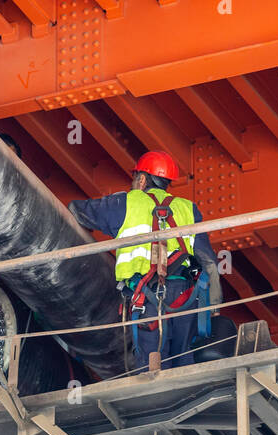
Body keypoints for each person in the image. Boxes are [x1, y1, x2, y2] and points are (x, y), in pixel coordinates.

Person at [68, 150, 222, 372]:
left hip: (147, 300)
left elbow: (77, 211)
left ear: (141, 178)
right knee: (187, 365)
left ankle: (163, 403)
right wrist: (214, 307)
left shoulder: (125, 202)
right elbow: (208, 261)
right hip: (186, 298)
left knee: (153, 369)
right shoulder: (188, 209)